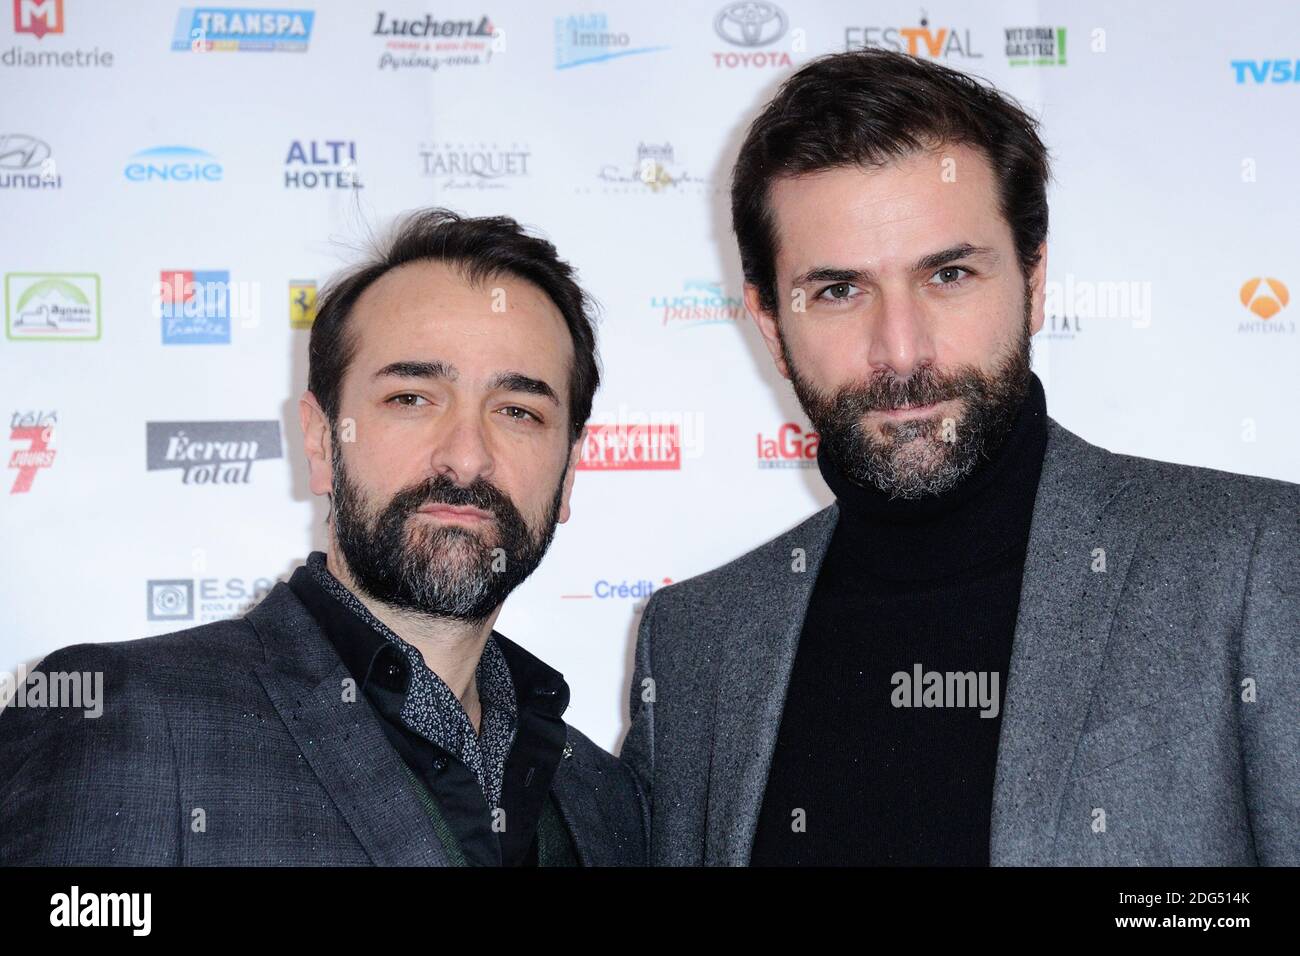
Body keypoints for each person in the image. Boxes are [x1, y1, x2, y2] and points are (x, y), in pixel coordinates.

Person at [620, 49, 1299, 866]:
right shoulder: (696, 643)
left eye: (948, 274)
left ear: (1033, 280)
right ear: (770, 323)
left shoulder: (1254, 564)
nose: (900, 350)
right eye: (839, 290)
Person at [0, 209, 646, 866]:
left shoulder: (605, 800)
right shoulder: (123, 718)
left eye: (518, 411)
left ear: (568, 472)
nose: (466, 457)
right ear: (318, 440)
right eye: (412, 397)